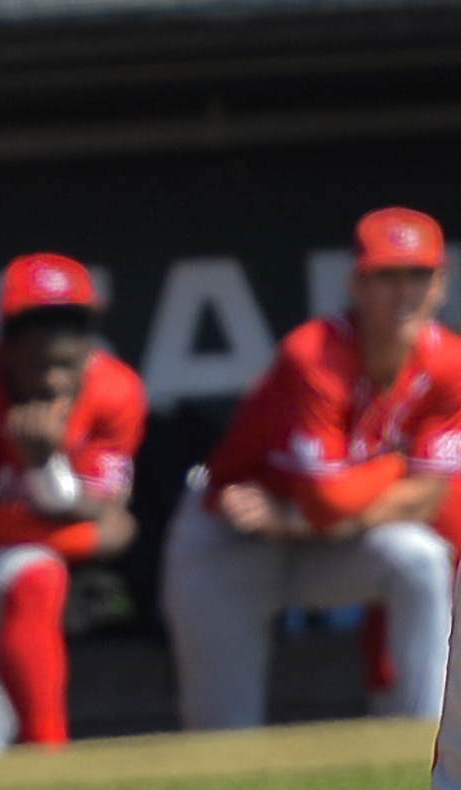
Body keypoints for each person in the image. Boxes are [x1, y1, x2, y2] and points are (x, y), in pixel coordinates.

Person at [161, 209, 457, 736]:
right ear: (356, 284)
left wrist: (300, 518)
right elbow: (329, 501)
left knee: (421, 558)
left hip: (309, 534)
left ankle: (423, 739)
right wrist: (397, 465)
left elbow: (429, 498)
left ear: (441, 284)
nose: (403, 293)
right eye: (386, 277)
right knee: (223, 738)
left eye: (417, 276)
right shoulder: (314, 355)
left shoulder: (448, 364)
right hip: (232, 539)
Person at [0, 253, 145, 749]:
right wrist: (88, 536)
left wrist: (43, 464)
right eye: (38, 332)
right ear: (8, 343)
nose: (57, 375)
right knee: (32, 569)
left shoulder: (115, 388)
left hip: (16, 555)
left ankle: (32, 752)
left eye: (75, 328)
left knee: (34, 571)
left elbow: (106, 506)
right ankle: (32, 750)